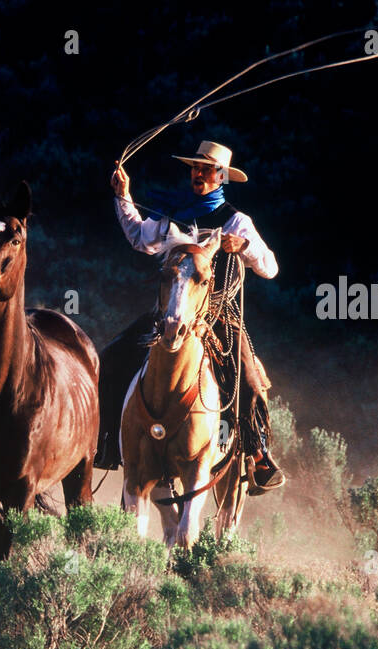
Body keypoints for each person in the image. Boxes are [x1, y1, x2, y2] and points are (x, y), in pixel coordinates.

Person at [102, 140, 284, 493]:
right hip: (169, 313)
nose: (199, 173)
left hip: (219, 317)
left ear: (221, 177)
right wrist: (124, 195)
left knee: (248, 379)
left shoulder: (237, 221)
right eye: (195, 168)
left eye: (207, 169)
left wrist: (243, 247)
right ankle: (108, 440)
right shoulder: (174, 212)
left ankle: (258, 452)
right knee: (112, 356)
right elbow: (141, 238)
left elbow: (271, 268)